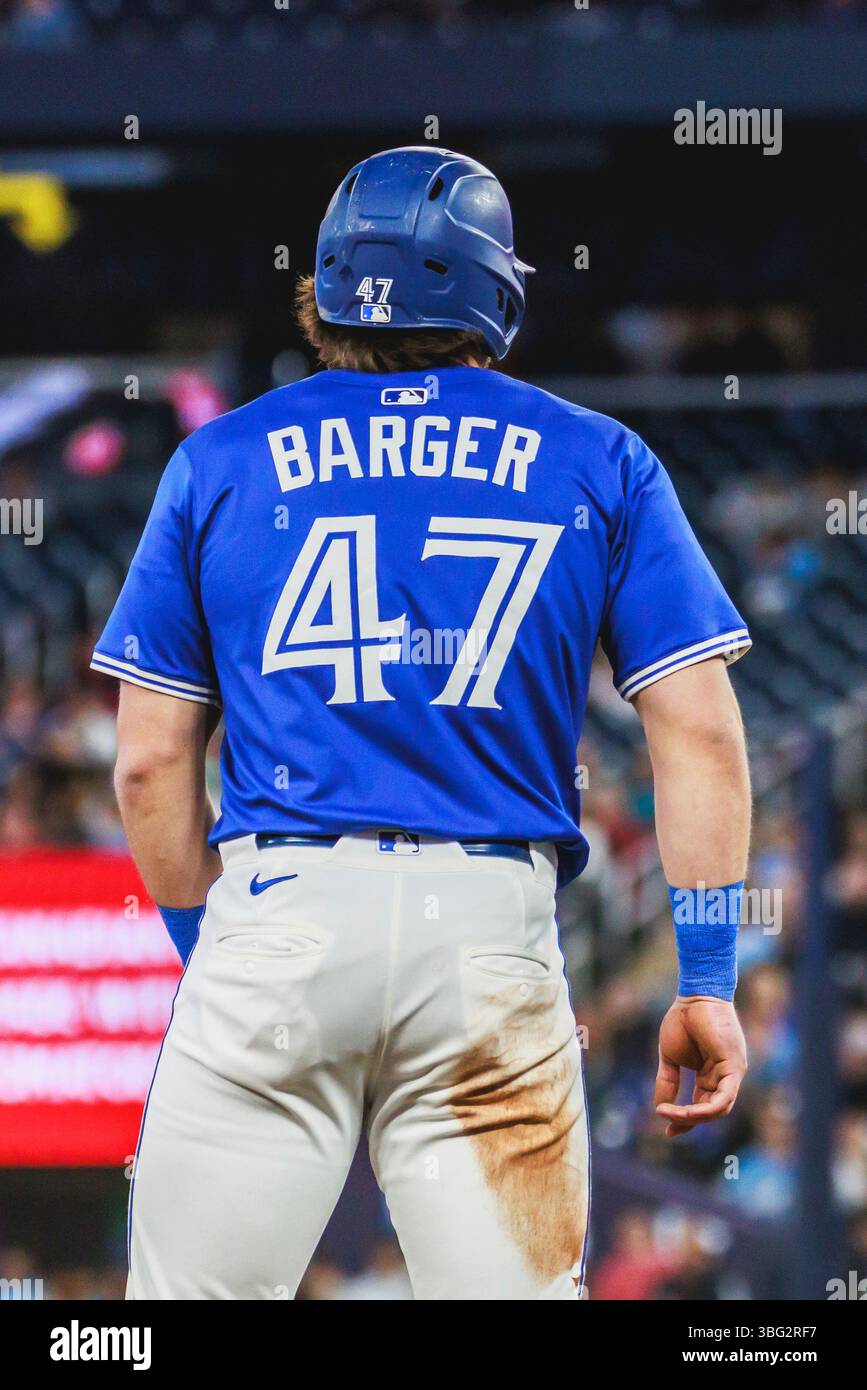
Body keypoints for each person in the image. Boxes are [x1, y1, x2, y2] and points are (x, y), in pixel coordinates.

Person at [93, 146, 751, 1300]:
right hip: (489, 936)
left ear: (334, 286)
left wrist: (216, 947)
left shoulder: (220, 459)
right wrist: (704, 976)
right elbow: (697, 736)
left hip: (280, 914)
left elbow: (149, 767)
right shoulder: (602, 458)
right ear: (496, 289)